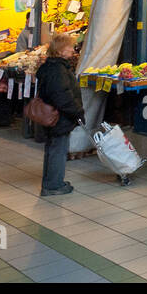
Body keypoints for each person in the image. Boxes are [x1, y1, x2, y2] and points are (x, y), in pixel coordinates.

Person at [34, 32, 85, 197]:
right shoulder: (58, 70)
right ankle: (53, 186)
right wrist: (77, 111)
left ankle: (51, 182)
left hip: (53, 116)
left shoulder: (52, 67)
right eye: (69, 47)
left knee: (53, 149)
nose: (72, 49)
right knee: (58, 150)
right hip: (59, 117)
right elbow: (62, 96)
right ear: (61, 50)